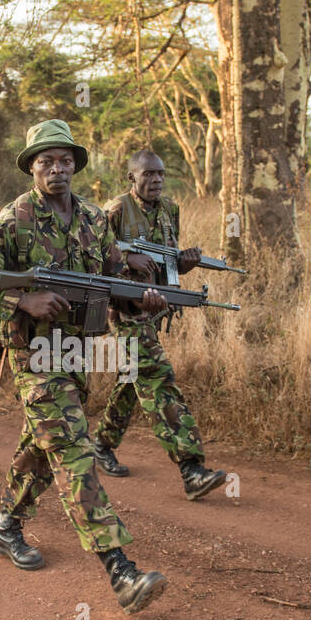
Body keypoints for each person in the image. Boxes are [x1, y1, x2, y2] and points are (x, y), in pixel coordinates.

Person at [0, 119, 169, 615]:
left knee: (42, 444)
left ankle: (7, 527)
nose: (57, 167)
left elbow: (114, 283)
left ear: (76, 166)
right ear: (32, 166)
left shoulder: (94, 220)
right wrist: (22, 301)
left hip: (77, 355)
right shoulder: (13, 220)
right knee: (74, 449)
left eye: (65, 160)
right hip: (34, 357)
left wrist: (145, 301)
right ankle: (121, 570)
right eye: (46, 160)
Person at [95, 150, 226, 499]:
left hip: (153, 307)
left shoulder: (171, 209)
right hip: (122, 310)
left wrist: (184, 264)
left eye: (160, 174)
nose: (155, 180)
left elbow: (168, 262)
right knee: (157, 378)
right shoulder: (116, 209)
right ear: (131, 177)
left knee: (132, 378)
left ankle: (102, 444)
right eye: (148, 174)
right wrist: (126, 258)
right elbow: (93, 256)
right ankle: (191, 467)